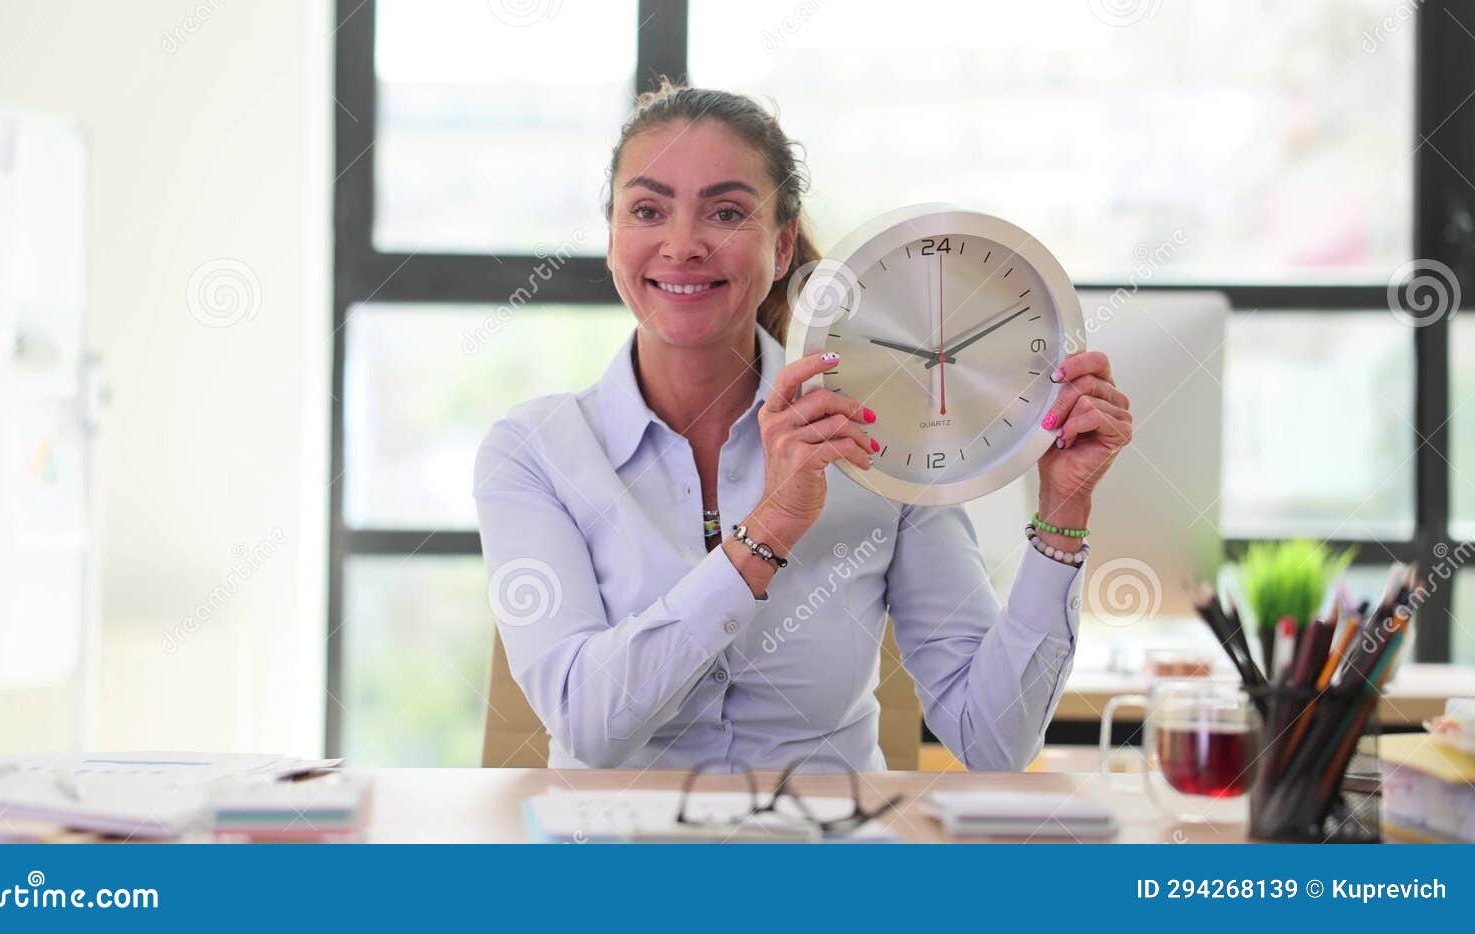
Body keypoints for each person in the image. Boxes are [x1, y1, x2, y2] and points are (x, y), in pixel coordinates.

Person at [473, 82, 1133, 772]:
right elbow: (589, 724)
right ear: (611, 239)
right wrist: (773, 527)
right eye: (647, 210)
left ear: (782, 246)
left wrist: (1064, 512)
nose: (683, 244)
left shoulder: (882, 432)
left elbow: (991, 742)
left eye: (726, 212)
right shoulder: (534, 452)